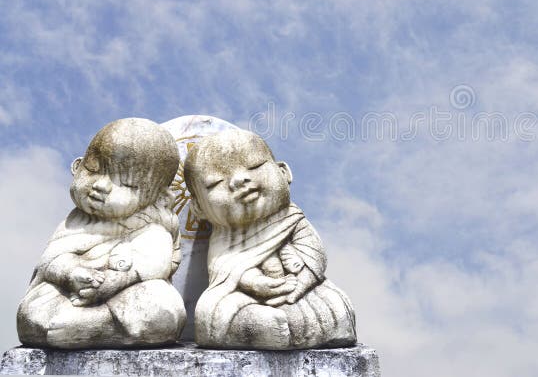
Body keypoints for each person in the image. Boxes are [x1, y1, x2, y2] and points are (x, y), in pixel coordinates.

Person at [17, 118, 186, 348]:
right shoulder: (75, 223)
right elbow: (50, 261)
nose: (102, 185)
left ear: (157, 198)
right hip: (72, 295)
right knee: (31, 311)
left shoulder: (151, 226)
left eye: (125, 184)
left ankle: (95, 326)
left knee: (162, 304)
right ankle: (73, 325)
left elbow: (156, 264)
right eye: (94, 169)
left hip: (123, 297)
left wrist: (115, 281)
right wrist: (71, 272)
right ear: (77, 165)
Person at [184, 129, 356, 349]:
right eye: (216, 182)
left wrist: (301, 283)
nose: (238, 180)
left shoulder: (292, 218)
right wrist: (257, 283)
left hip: (301, 290)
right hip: (246, 297)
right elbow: (226, 268)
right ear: (198, 208)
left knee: (336, 307)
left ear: (284, 172)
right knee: (214, 313)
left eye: (254, 166)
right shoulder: (224, 238)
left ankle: (289, 326)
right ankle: (262, 327)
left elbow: (313, 252)